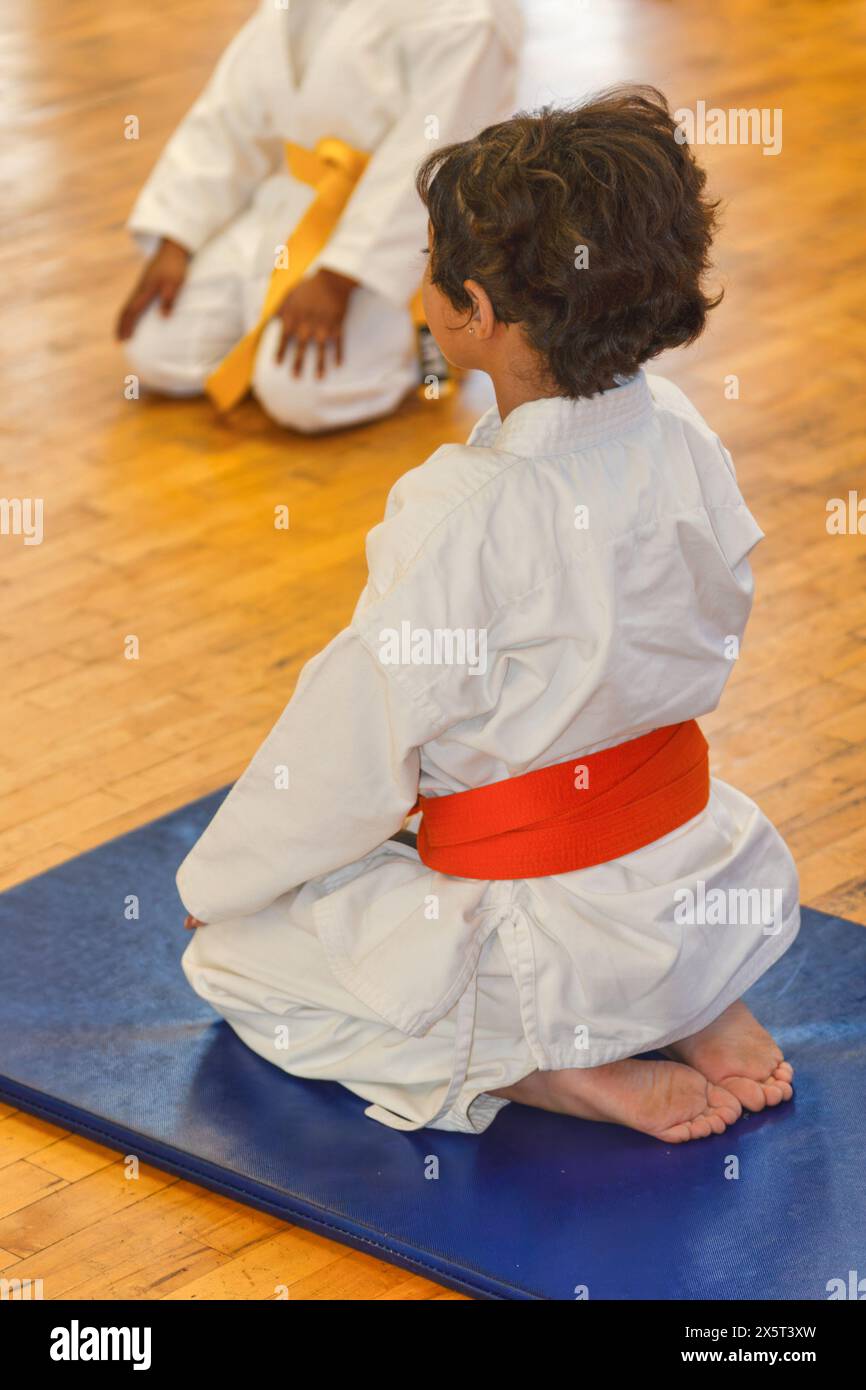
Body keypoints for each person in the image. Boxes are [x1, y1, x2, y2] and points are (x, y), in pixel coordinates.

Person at [178, 88, 799, 1143]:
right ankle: (693, 1002)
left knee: (229, 960)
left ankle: (539, 1071)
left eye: (427, 267)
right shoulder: (683, 434)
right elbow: (703, 624)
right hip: (698, 887)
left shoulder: (460, 512)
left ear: (469, 309)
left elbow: (356, 744)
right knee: (566, 855)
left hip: (536, 936)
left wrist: (221, 878)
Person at [116, 0, 522, 431]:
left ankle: (430, 345)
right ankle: (265, 338)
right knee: (156, 347)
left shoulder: (469, 16)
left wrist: (338, 278)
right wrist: (177, 237)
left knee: (300, 394)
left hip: (407, 242)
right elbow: (227, 118)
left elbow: (432, 163)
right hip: (291, 204)